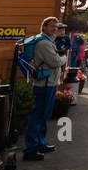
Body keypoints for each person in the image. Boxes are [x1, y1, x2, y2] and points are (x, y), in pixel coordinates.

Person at [23, 17, 64, 161]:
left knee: (44, 115)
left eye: (56, 27)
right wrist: (64, 58)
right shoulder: (44, 43)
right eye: (52, 26)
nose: (54, 29)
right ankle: (31, 148)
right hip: (45, 85)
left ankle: (40, 143)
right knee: (38, 116)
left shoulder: (47, 42)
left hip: (49, 83)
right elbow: (55, 62)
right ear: (44, 27)